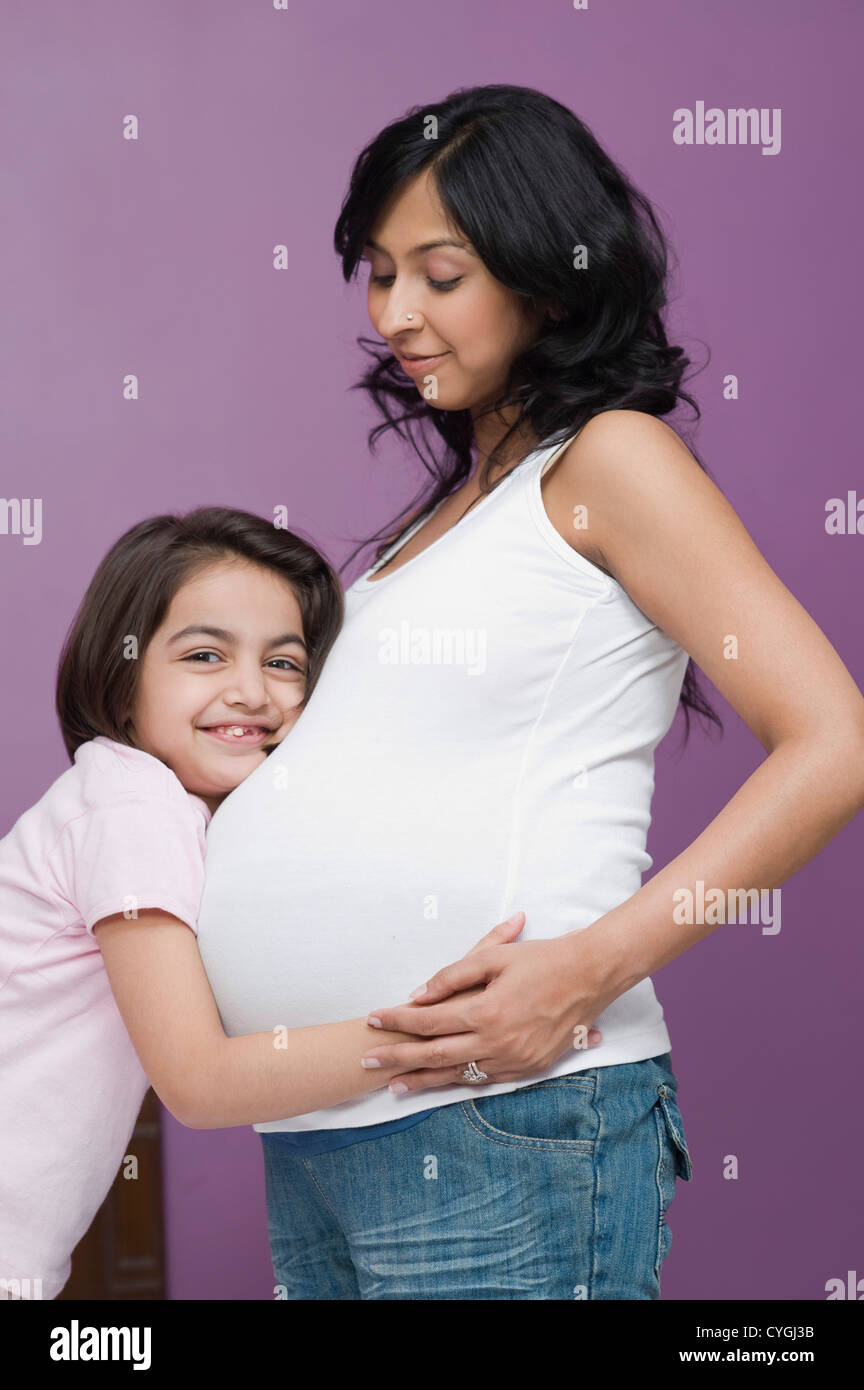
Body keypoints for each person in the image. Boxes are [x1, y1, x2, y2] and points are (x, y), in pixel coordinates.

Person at [194, 85, 864, 1300]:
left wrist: (591, 966)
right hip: (322, 1133)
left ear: (547, 278)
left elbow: (836, 741)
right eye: (378, 271)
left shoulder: (612, 459)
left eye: (438, 275)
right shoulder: (429, 527)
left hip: (506, 1118)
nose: (395, 312)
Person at [0, 504, 511, 1301]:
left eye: (285, 664)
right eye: (204, 654)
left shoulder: (168, 808)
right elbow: (200, 1080)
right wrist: (441, 1039)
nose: (252, 693)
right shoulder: (134, 807)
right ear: (121, 676)